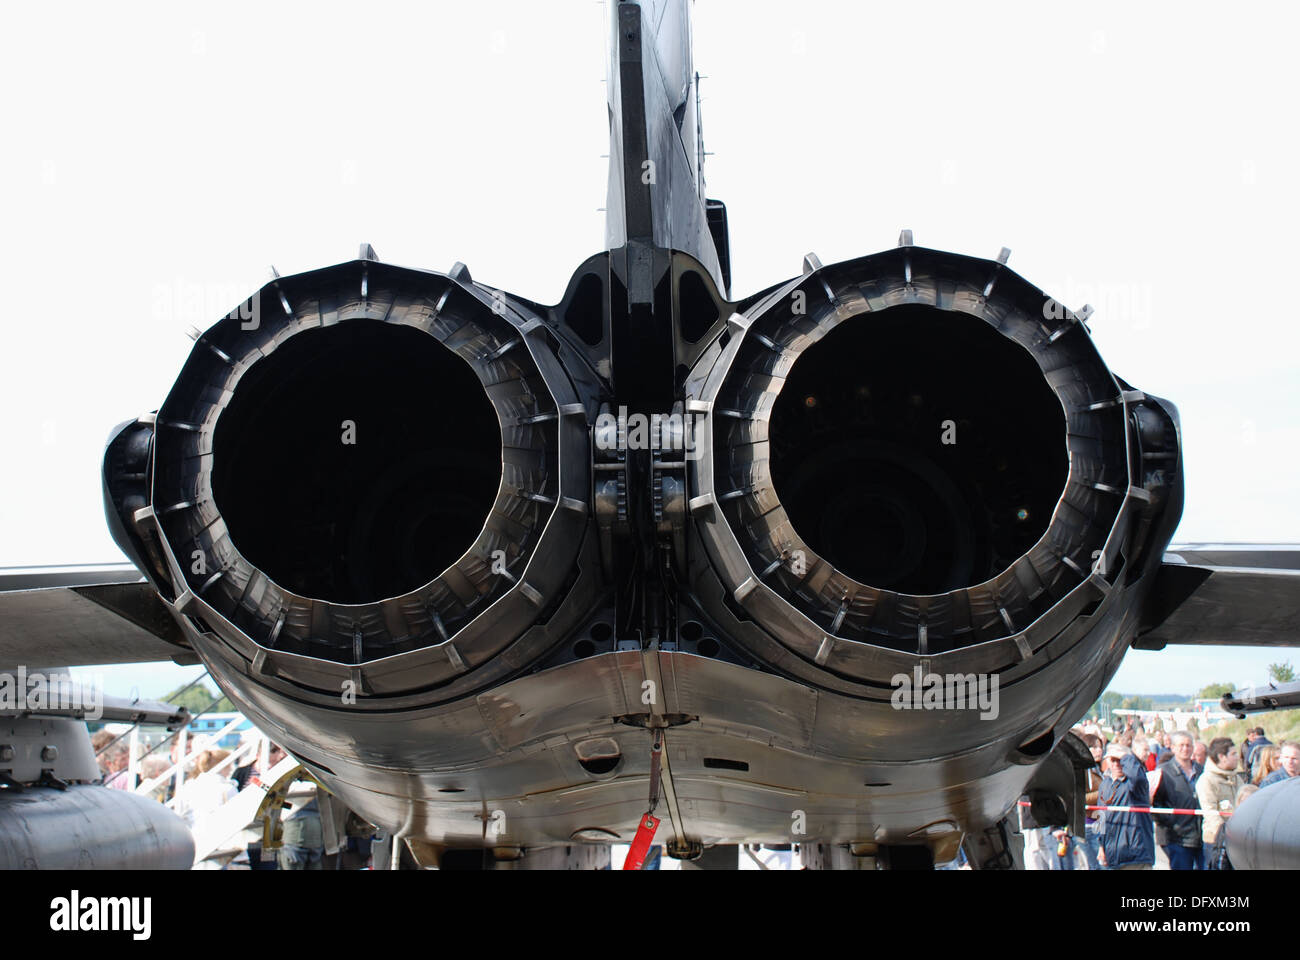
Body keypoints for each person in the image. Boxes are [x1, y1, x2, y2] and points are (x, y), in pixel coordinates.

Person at [1151, 731, 1203, 869]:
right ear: (1173, 747)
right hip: (1176, 837)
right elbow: (1154, 803)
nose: (1185, 749)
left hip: (1200, 836)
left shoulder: (1201, 770)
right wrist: (1170, 821)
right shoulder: (1163, 771)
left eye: (1188, 745)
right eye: (1181, 745)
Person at [1098, 744, 1155, 870]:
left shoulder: (1136, 784)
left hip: (1136, 855)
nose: (1117, 764)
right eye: (1114, 760)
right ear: (1108, 761)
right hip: (1113, 855)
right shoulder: (1104, 785)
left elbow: (1137, 778)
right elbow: (1101, 817)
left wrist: (1125, 756)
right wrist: (1101, 845)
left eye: (1121, 760)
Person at [1196, 737, 1245, 869]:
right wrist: (1224, 835)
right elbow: (1210, 812)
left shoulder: (1237, 778)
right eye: (1233, 754)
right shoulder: (1207, 780)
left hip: (1237, 840)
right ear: (1222, 756)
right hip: (1216, 841)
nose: (1237, 757)